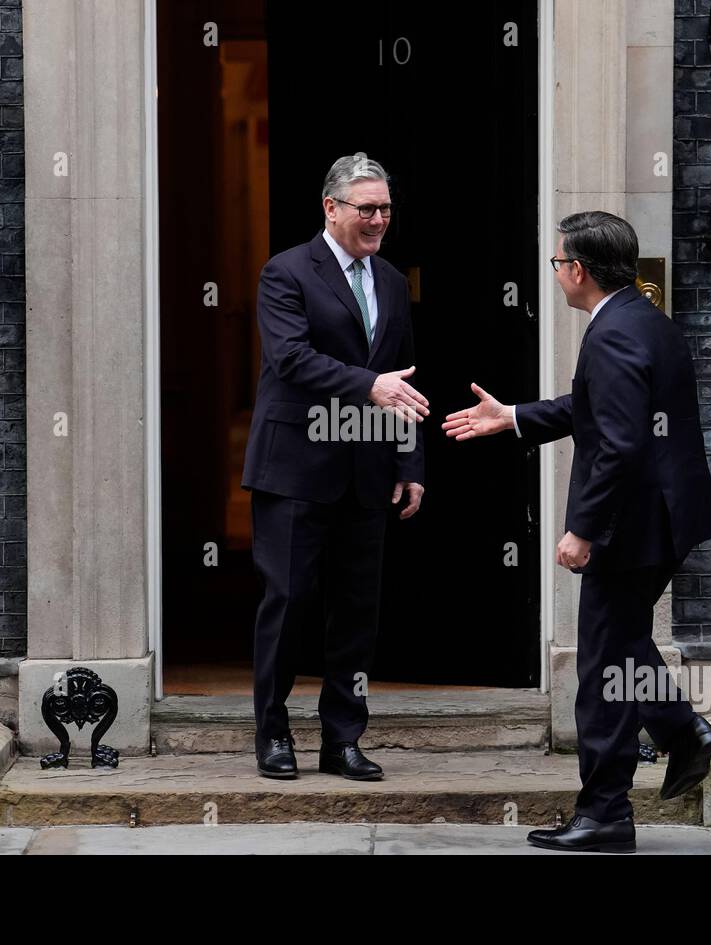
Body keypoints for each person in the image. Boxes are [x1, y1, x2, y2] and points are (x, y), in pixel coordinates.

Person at [442, 210, 711, 852]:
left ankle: (605, 812)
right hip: (664, 517)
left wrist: (583, 530)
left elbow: (620, 444)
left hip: (633, 528)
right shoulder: (642, 320)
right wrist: (512, 416)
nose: (557, 273)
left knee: (601, 665)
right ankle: (682, 733)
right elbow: (598, 409)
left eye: (558, 261)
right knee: (622, 645)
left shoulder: (614, 335)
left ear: (579, 270)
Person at [241, 154, 426, 781]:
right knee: (288, 603)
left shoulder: (395, 281)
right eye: (366, 209)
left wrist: (410, 460)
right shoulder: (286, 272)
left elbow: (402, 379)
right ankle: (272, 734)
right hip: (295, 468)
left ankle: (342, 739)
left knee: (355, 615)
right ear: (331, 208)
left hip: (368, 472)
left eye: (386, 209)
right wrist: (370, 385)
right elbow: (291, 358)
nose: (378, 220)